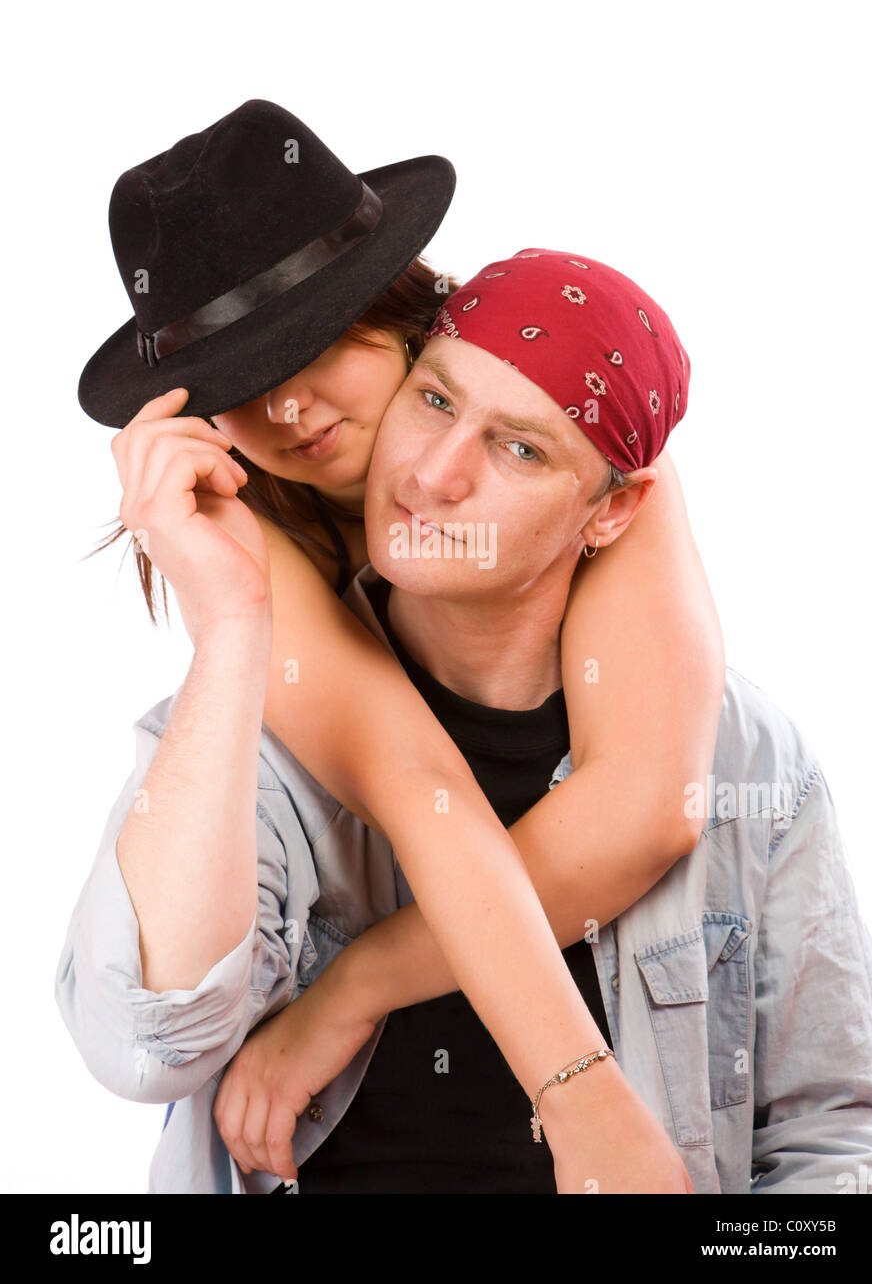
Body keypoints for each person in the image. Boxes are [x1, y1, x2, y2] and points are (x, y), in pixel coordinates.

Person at [59, 100, 724, 1193]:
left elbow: (650, 804)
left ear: (406, 299)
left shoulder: (570, 421)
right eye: (236, 380)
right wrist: (229, 625)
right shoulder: (252, 540)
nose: (288, 407)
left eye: (313, 338)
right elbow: (420, 788)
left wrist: (364, 984)